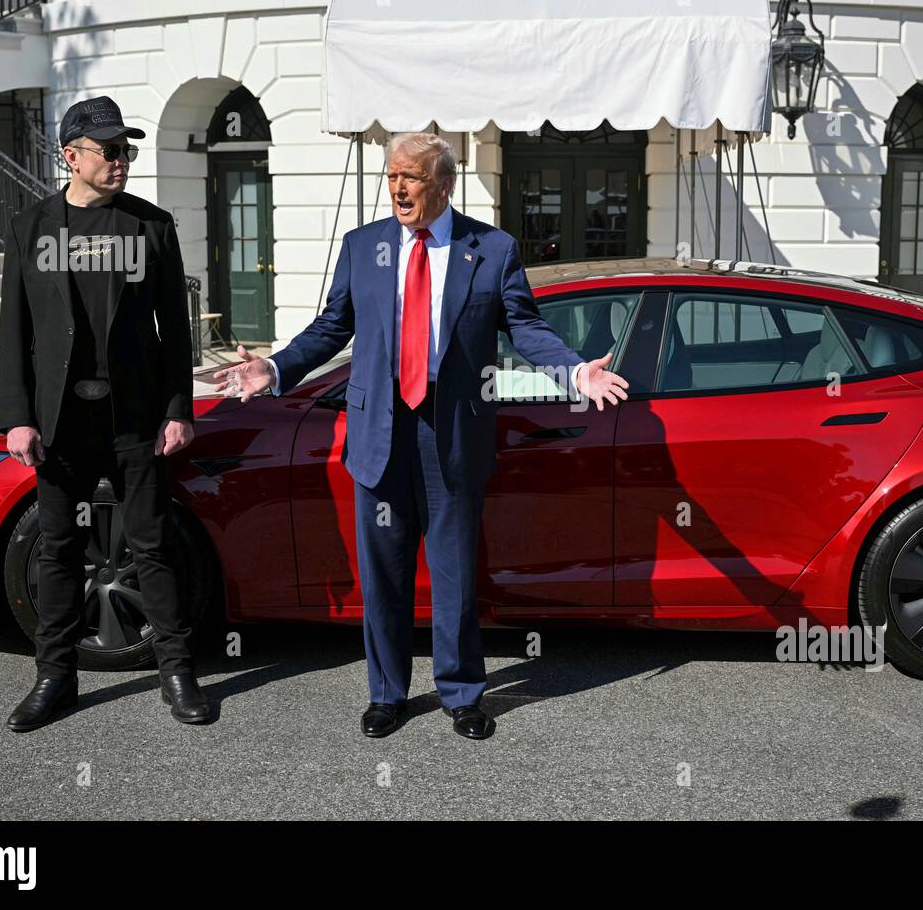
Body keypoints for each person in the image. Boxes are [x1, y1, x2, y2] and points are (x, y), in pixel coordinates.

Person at [215, 132, 627, 739]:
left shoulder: (490, 248)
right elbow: (331, 327)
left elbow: (525, 327)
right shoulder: (365, 247)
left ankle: (462, 692)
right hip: (381, 430)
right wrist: (275, 368)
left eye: (411, 178)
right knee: (383, 571)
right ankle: (387, 692)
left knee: (454, 570)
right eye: (391, 177)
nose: (399, 189)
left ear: (444, 184)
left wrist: (572, 368)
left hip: (452, 431)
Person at [0, 95, 205, 731]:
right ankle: (55, 676)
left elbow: (177, 329)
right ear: (71, 156)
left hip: (135, 417)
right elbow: (15, 333)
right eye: (110, 150)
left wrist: (178, 408)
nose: (122, 161)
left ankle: (176, 672)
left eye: (127, 150)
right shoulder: (30, 229)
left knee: (153, 544)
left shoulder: (152, 227)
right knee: (58, 548)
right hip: (61, 422)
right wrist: (18, 417)